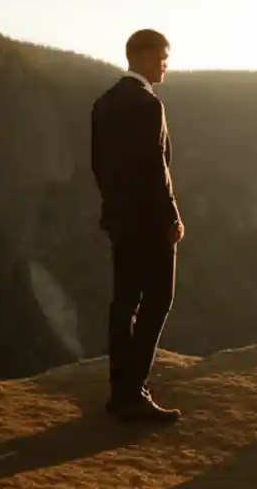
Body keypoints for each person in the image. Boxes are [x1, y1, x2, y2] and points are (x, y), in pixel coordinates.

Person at [90, 29, 184, 423]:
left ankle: (119, 391)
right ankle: (135, 390)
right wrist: (172, 216)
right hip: (150, 223)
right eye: (163, 55)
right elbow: (155, 168)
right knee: (158, 300)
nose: (166, 63)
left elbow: (98, 165)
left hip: (120, 222)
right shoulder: (148, 105)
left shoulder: (104, 103)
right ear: (142, 56)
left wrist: (114, 211)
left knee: (123, 303)